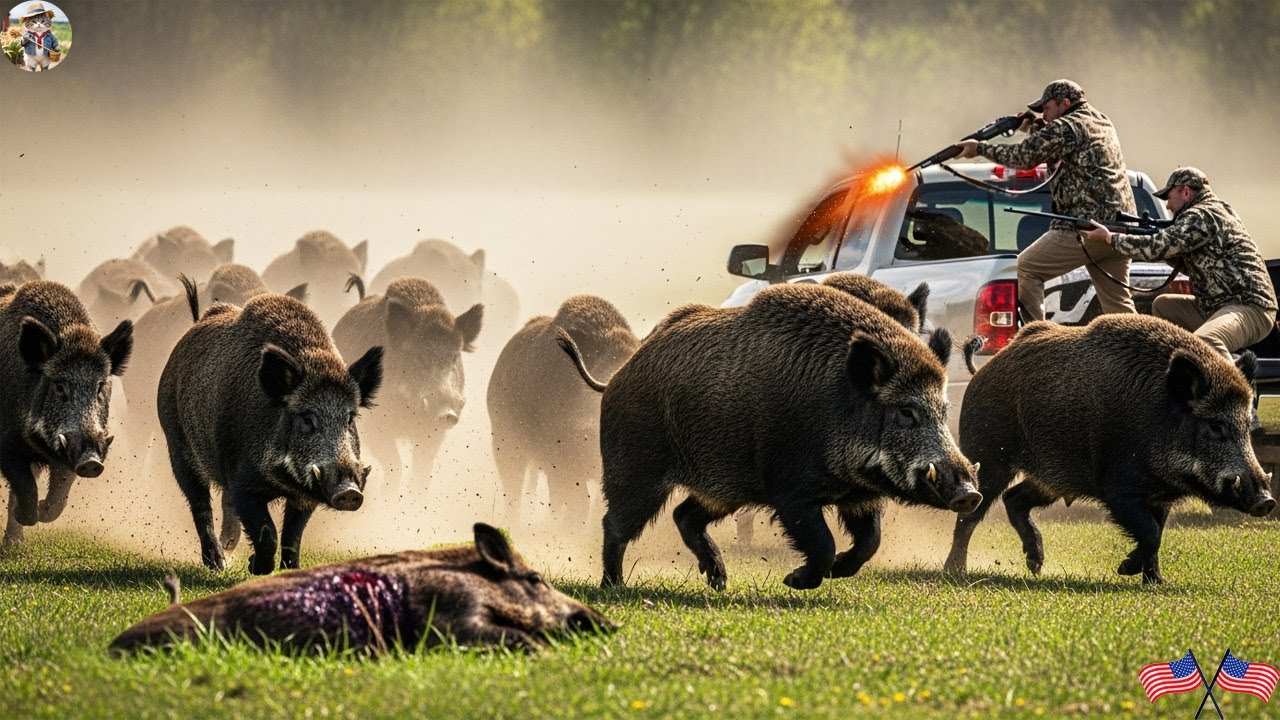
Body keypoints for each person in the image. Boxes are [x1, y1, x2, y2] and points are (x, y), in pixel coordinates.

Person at [956, 79, 1137, 323]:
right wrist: (1034, 129)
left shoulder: (1065, 126)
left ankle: (1038, 343)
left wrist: (979, 149)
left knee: (1025, 269)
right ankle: (1145, 354)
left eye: (1047, 108)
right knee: (1119, 307)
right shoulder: (1101, 121)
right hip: (1117, 230)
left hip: (1082, 228)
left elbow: (1024, 157)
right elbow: (1067, 147)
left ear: (1064, 103)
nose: (1045, 115)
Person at [1083, 167, 1277, 359]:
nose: (1167, 206)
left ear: (1185, 192)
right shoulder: (1216, 210)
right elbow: (1190, 259)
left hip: (1249, 307)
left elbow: (1158, 247)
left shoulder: (1202, 215)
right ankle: (1200, 365)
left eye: (1169, 197)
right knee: (1163, 306)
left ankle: (1234, 388)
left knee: (1207, 340)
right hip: (1219, 306)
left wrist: (1110, 238)